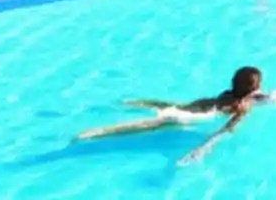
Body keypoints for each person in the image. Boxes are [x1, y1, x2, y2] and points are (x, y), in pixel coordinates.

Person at [76, 67, 265, 164]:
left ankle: (136, 102)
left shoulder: (227, 94)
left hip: (199, 104)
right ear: (255, 88)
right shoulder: (243, 106)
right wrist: (204, 148)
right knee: (149, 125)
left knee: (172, 106)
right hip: (192, 117)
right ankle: (96, 133)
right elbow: (226, 130)